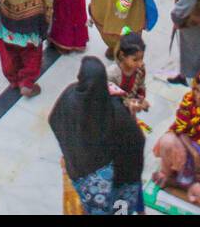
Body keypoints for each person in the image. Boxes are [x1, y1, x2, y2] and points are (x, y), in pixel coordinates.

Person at [49, 55, 146, 215]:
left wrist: (73, 150)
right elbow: (136, 143)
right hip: (114, 179)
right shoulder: (114, 111)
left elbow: (55, 120)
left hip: (79, 172)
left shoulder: (70, 95)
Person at [113, 32, 149, 115]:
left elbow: (140, 85)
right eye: (135, 60)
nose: (140, 63)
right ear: (122, 55)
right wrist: (127, 103)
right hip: (115, 114)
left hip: (130, 112)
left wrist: (140, 98)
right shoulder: (113, 74)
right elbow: (110, 99)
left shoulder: (140, 70)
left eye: (142, 58)